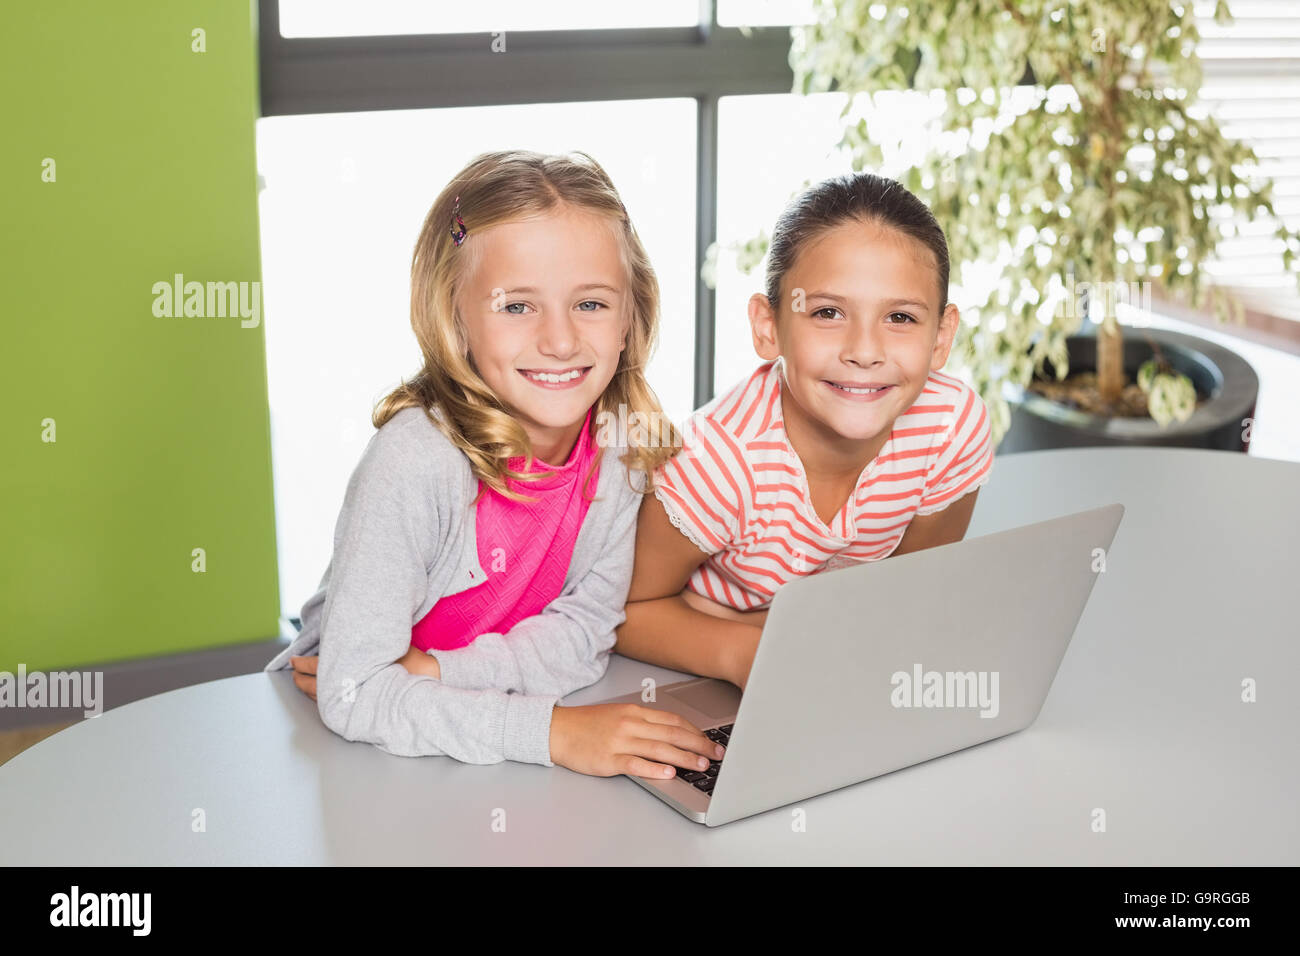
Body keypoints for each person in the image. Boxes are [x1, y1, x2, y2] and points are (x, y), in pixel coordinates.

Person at [272, 150, 724, 781]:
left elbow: (586, 631)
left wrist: (438, 671)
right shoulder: (414, 462)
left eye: (591, 303)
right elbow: (353, 695)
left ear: (630, 318)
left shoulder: (622, 450)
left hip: (467, 749)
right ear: (455, 318)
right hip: (346, 756)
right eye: (517, 306)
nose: (560, 341)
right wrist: (553, 732)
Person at [617, 171, 995, 689]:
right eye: (828, 312)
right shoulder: (717, 462)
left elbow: (910, 595)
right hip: (708, 652)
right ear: (768, 327)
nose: (864, 350)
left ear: (940, 337)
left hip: (842, 652)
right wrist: (748, 653)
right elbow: (624, 610)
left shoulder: (950, 429)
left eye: (901, 318)